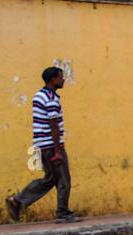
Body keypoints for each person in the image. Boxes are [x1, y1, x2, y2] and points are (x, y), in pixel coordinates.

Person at [5, 67, 80, 223]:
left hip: (42, 144)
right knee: (63, 179)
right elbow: (53, 125)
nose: (63, 80)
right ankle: (62, 212)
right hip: (51, 145)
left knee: (52, 178)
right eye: (60, 77)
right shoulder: (51, 98)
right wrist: (58, 151)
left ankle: (17, 201)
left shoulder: (39, 95)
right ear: (52, 79)